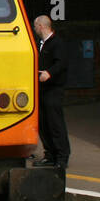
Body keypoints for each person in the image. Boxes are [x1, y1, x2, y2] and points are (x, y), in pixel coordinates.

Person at [33, 15, 69, 168]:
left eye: (35, 26)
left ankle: (61, 157)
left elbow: (62, 63)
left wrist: (49, 73)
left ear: (41, 26)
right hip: (41, 89)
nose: (34, 30)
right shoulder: (40, 44)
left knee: (55, 124)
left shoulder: (57, 43)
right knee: (43, 124)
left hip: (53, 89)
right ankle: (49, 155)